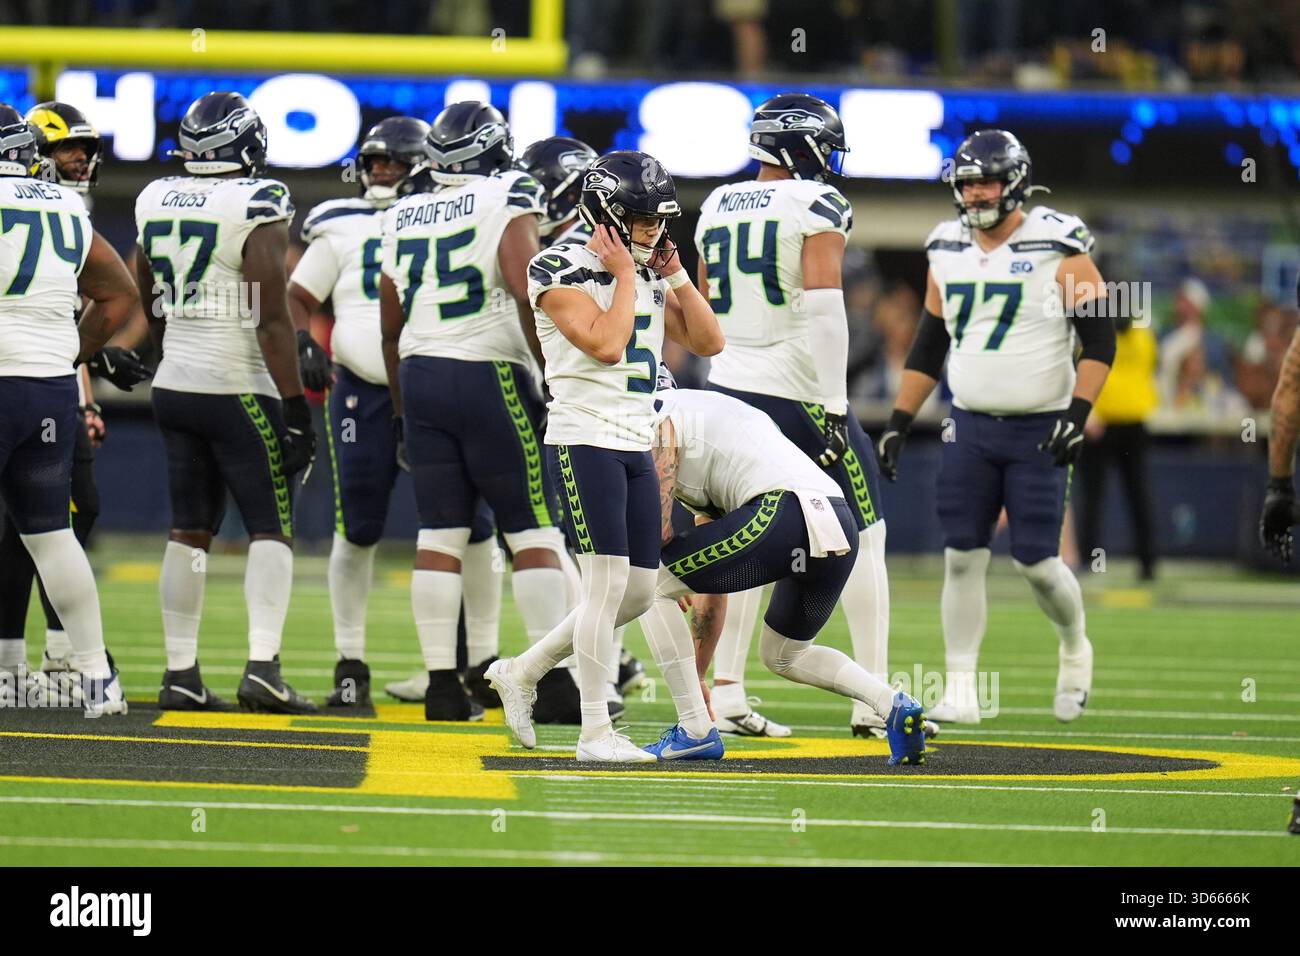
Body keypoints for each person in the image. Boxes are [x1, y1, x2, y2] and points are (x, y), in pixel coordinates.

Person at [485, 150, 725, 761]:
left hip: (635, 439)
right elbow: (608, 345)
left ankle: (522, 671)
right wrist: (625, 276)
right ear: (605, 214)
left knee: (642, 592)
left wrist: (673, 275)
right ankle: (595, 732)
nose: (653, 230)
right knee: (604, 588)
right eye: (641, 219)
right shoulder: (555, 263)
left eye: (659, 219)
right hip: (584, 435)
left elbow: (708, 340)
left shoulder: (644, 266)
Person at [877, 129, 1115, 724]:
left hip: (1039, 426)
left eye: (986, 180)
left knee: (1037, 562)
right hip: (970, 426)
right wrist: (900, 421)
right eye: (968, 182)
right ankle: (961, 689)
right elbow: (930, 344)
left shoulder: (1060, 243)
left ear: (1015, 182)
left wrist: (1077, 415)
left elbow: (1101, 338)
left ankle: (1074, 644)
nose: (977, 192)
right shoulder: (943, 247)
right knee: (962, 555)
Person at [288, 115, 510, 713]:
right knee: (357, 526)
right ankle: (349, 660)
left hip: (436, 381)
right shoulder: (339, 222)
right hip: (366, 391)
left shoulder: (455, 211)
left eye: (394, 161)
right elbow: (299, 294)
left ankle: (479, 662)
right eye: (375, 162)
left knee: (473, 528)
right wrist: (307, 340)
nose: (382, 172)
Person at [691, 91, 891, 740]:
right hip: (796, 393)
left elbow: (701, 308)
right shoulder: (816, 203)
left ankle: (726, 689)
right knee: (866, 531)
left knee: (744, 537)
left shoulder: (716, 204)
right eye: (824, 146)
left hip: (725, 390)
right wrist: (834, 404)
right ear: (798, 145)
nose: (830, 160)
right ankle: (873, 696)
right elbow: (826, 309)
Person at [379, 102, 570, 721]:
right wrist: (550, 374)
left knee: (439, 534)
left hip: (419, 371)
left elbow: (390, 323)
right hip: (489, 371)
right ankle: (558, 682)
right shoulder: (509, 191)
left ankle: (441, 685)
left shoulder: (403, 208)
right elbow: (525, 285)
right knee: (532, 528)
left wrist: (403, 408)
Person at [634, 376, 927, 765]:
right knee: (784, 655)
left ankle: (693, 731)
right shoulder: (711, 418)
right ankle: (893, 704)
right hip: (837, 519)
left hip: (787, 511)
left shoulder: (661, 416)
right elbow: (715, 589)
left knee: (647, 581)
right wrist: (698, 676)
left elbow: (657, 533)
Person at [136, 92, 318, 713]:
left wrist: (169, 351)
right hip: (235, 383)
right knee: (272, 528)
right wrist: (296, 407)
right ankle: (263, 667)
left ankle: (180, 673)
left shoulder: (154, 195)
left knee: (188, 530)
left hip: (176, 383)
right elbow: (270, 315)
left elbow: (148, 291)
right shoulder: (258, 200)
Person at [0, 100, 150, 702]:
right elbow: (118, 293)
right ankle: (93, 677)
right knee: (52, 534)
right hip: (46, 386)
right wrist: (70, 352)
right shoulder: (63, 203)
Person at [1077, 308, 1159, 581]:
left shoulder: (1136, 336)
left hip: (1125, 423)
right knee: (1099, 496)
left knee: (1133, 495)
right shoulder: (1135, 336)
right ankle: (1093, 560)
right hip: (1103, 424)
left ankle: (1146, 562)